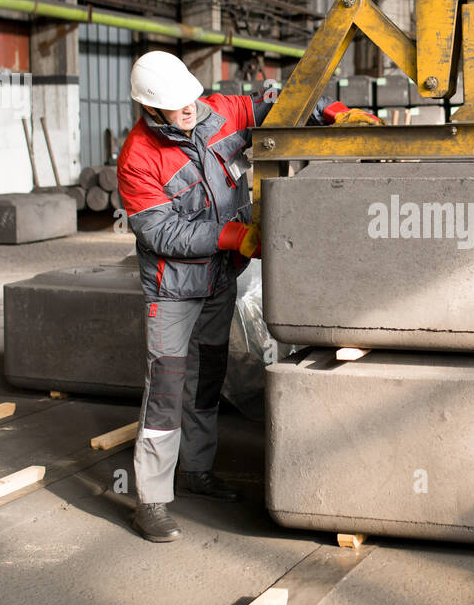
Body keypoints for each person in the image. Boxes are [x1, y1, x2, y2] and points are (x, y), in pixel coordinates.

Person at [117, 51, 372, 542]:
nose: (189, 109)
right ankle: (150, 500)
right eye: (176, 105)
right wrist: (234, 237)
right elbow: (161, 234)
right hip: (173, 288)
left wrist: (331, 111)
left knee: (208, 375)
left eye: (191, 97)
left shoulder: (220, 111)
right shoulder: (139, 158)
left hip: (218, 280)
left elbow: (278, 105)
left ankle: (196, 471)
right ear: (151, 109)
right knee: (167, 387)